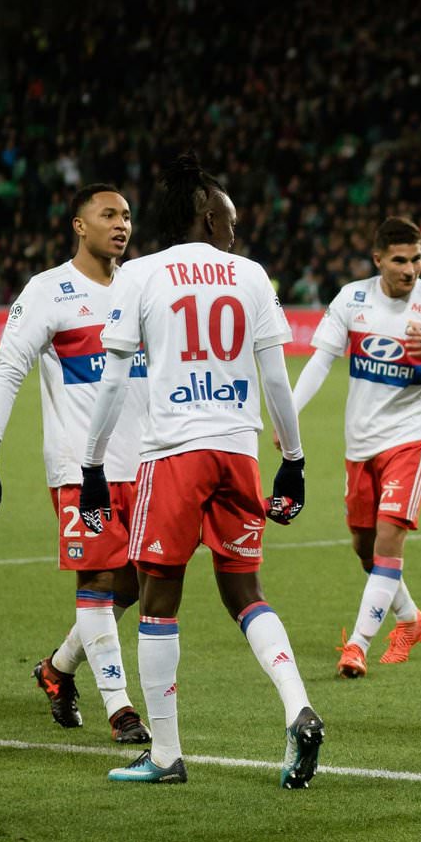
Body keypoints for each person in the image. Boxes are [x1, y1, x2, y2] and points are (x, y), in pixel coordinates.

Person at [80, 153, 323, 787]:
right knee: (246, 591)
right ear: (206, 212)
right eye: (231, 215)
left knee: (159, 598)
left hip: (174, 453)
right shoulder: (251, 276)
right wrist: (292, 462)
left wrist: (93, 460)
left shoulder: (140, 276)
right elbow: (276, 379)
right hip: (239, 452)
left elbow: (111, 383)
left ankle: (165, 755)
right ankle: (298, 706)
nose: (236, 227)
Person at [0, 184, 150, 744]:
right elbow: (8, 368)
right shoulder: (50, 291)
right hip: (80, 466)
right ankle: (120, 709)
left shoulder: (142, 287)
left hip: (144, 463)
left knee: (140, 578)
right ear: (79, 224)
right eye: (108, 215)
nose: (121, 225)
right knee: (95, 579)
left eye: (126, 215)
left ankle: (58, 668)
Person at [288, 217, 421, 677]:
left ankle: (357, 645)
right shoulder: (353, 298)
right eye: (400, 260)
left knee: (389, 540)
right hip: (360, 443)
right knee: (364, 547)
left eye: (417, 259)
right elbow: (321, 360)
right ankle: (410, 619)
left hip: (410, 438)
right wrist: (289, 413)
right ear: (378, 260)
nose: (410, 269)